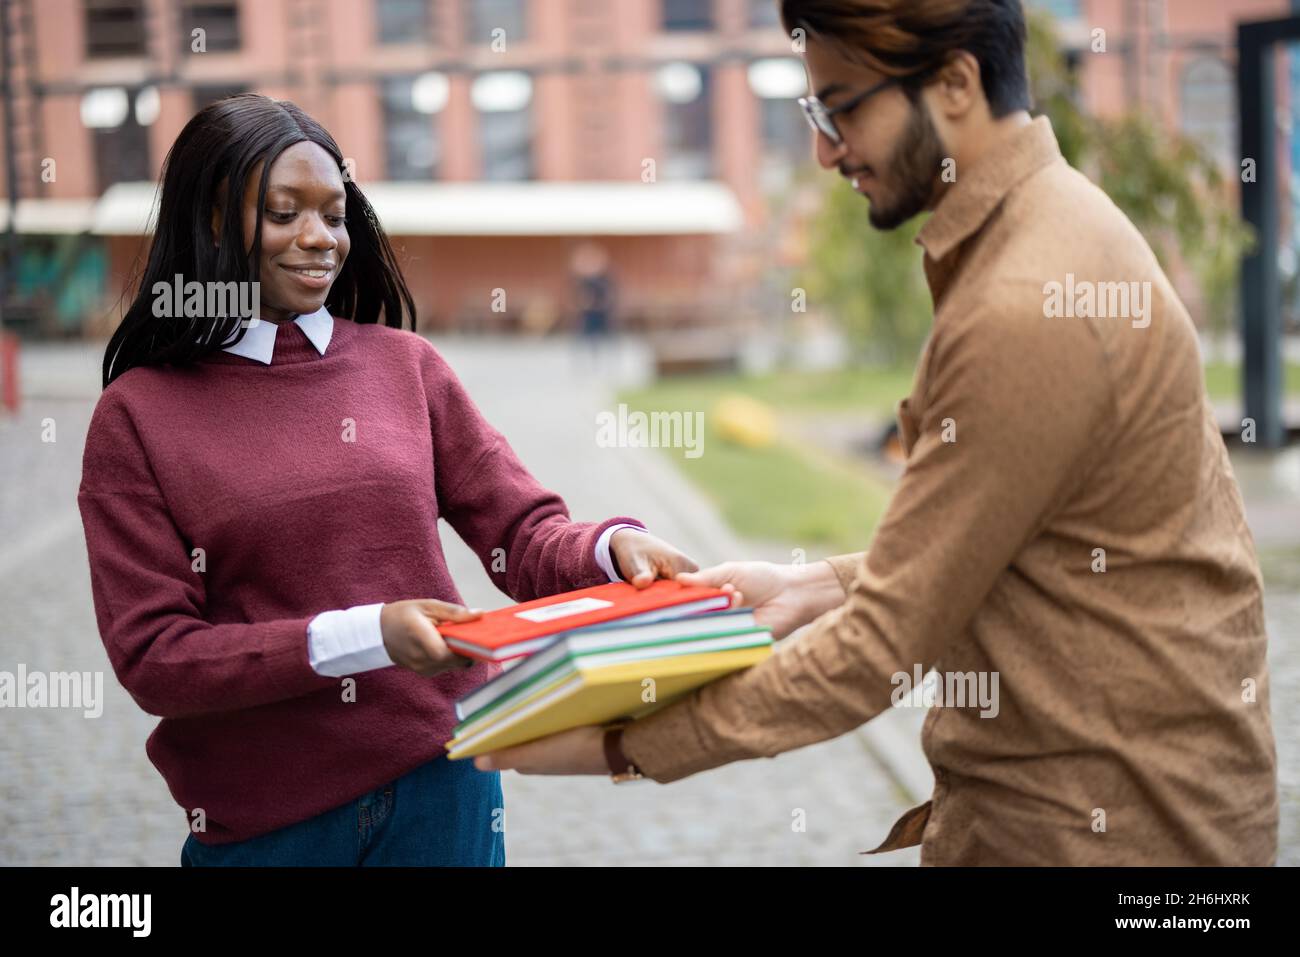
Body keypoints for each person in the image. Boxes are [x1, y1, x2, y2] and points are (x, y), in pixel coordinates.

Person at [475, 0, 1279, 866]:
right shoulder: (1049, 230)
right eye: (815, 114)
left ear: (956, 83)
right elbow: (1013, 541)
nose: (825, 149)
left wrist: (620, 743)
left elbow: (875, 655)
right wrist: (808, 585)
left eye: (844, 106)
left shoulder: (1029, 299)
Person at [77, 94, 696, 866]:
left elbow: (521, 533)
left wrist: (614, 549)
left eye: (335, 214)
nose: (318, 238)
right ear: (210, 222)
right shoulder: (137, 417)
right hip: (268, 826)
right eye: (282, 212)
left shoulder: (407, 367)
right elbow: (156, 657)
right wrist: (368, 637)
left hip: (446, 793)